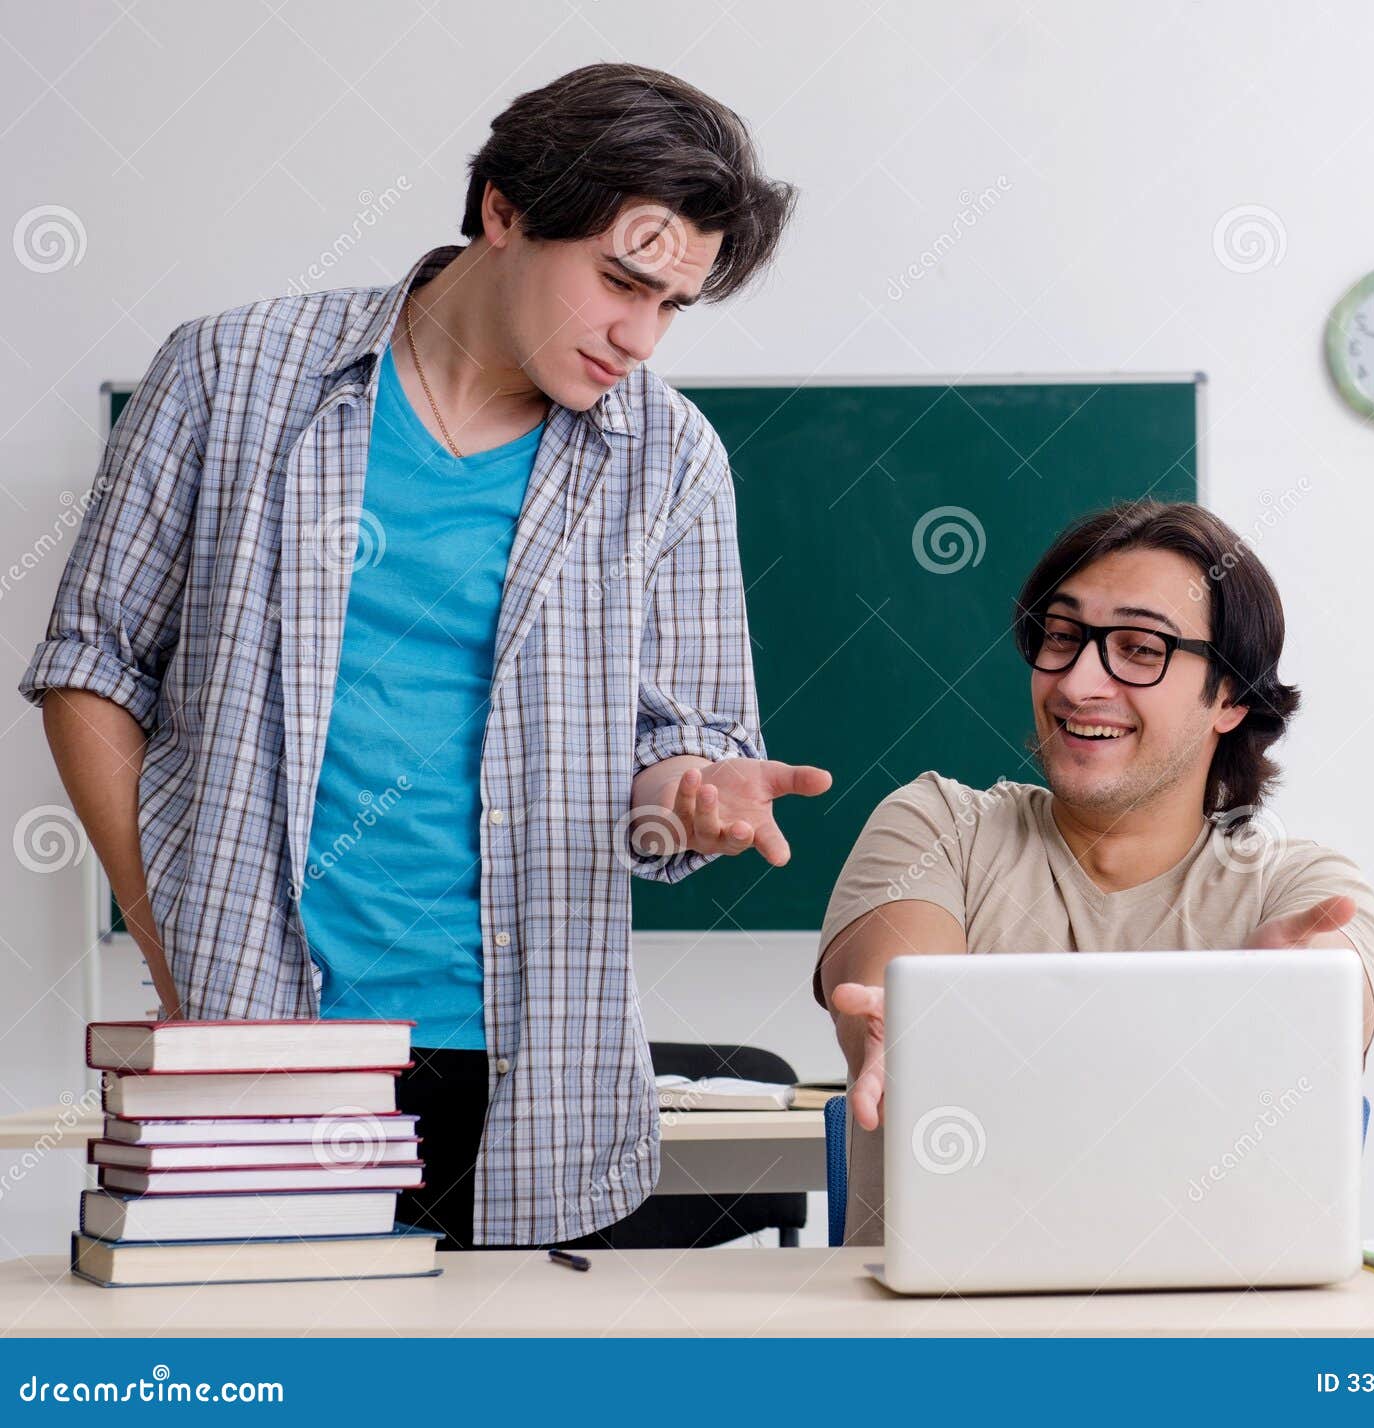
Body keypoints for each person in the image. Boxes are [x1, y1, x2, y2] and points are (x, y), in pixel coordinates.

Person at [21, 63, 830, 1249]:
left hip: (531, 1066)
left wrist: (692, 797)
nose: (639, 337)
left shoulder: (672, 459)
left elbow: (678, 752)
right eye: (619, 281)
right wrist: (167, 939)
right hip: (258, 1037)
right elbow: (92, 663)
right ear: (503, 211)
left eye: (672, 307)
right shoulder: (231, 377)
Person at [814, 499, 1374, 1246]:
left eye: (1141, 649)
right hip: (941, 1339)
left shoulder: (1301, 890)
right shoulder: (935, 828)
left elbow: (1323, 1041)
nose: (1079, 683)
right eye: (1062, 636)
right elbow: (907, 1041)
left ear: (1232, 698)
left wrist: (1279, 1027)